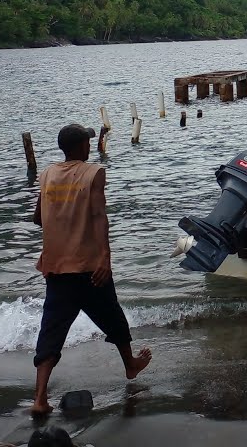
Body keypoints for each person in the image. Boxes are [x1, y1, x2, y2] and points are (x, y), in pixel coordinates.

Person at [28, 123, 151, 418]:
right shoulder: (94, 172)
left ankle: (40, 398)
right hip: (88, 268)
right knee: (113, 317)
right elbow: (98, 215)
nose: (89, 146)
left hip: (57, 269)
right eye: (87, 141)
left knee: (51, 332)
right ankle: (130, 365)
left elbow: (37, 218)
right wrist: (105, 258)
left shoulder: (46, 174)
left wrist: (62, 218)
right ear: (82, 146)